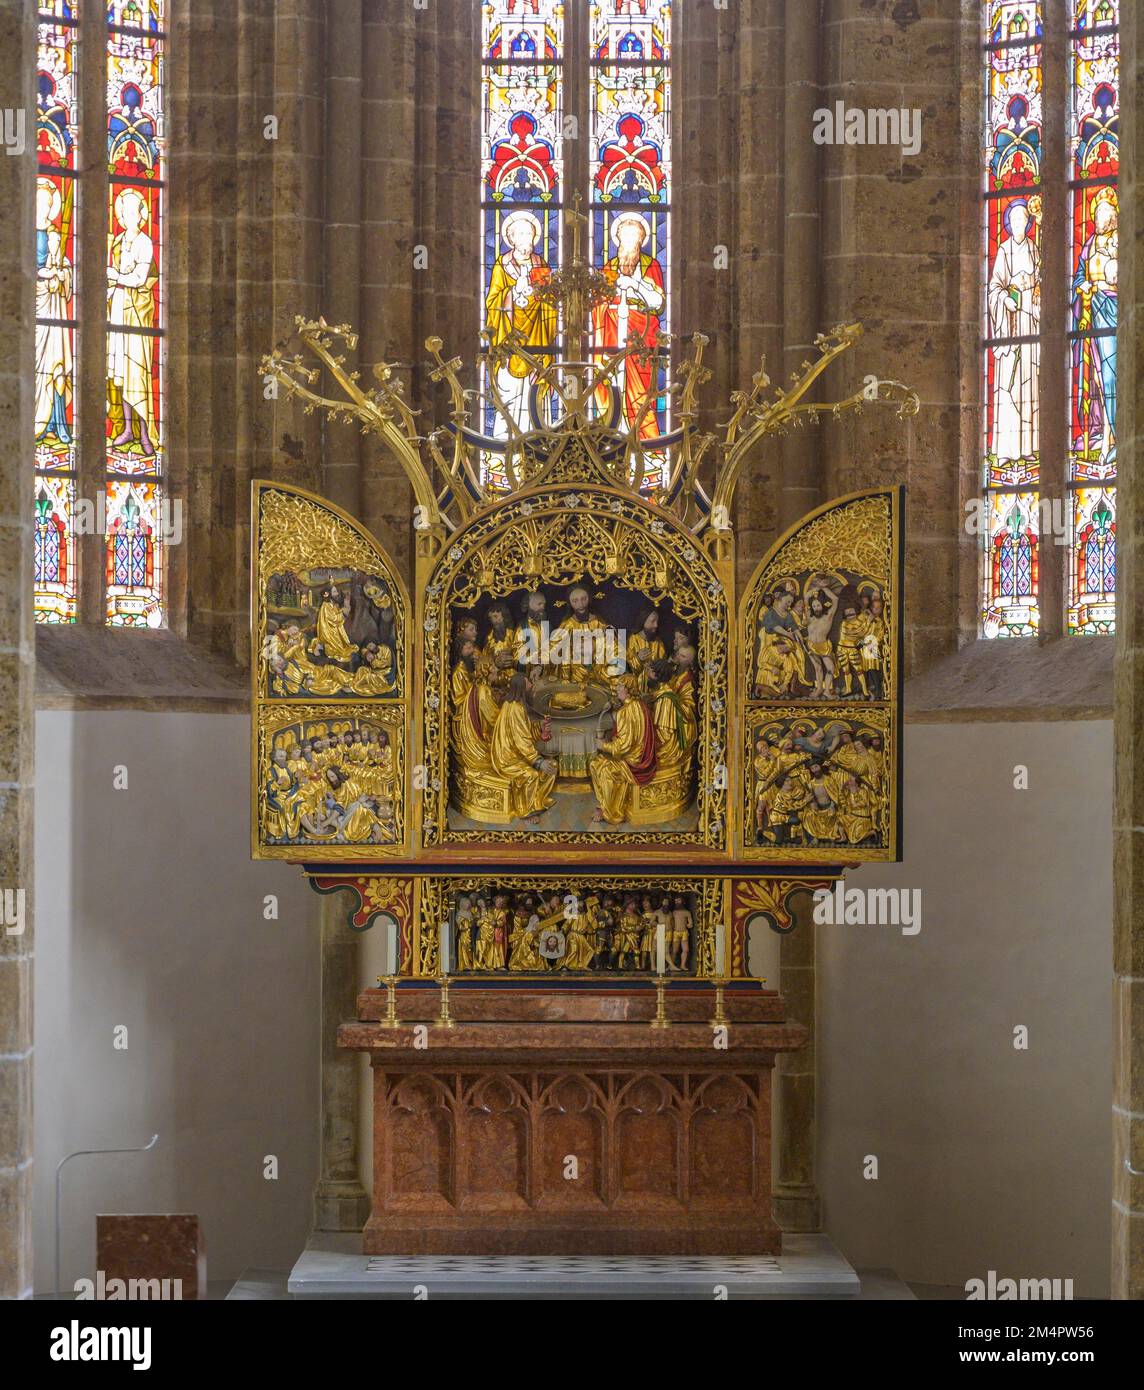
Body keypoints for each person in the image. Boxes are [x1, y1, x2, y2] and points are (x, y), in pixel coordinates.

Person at [592, 210, 666, 437]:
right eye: (625, 237)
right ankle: (611, 435)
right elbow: (596, 304)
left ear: (641, 241)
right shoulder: (608, 268)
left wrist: (637, 286)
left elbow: (659, 303)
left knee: (641, 393)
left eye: (634, 238)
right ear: (618, 240)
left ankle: (644, 441)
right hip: (612, 338)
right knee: (612, 384)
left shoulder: (650, 265)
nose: (629, 243)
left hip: (641, 340)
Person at [484, 210, 556, 433]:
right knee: (511, 397)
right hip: (510, 343)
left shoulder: (541, 266)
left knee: (535, 402)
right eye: (521, 233)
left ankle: (539, 445)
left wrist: (537, 294)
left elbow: (552, 303)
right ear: (512, 238)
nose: (527, 238)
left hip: (539, 344)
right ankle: (505, 448)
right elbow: (492, 302)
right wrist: (513, 292)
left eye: (530, 233)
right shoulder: (501, 265)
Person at [988, 199, 1040, 465]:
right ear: (1010, 223)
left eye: (1024, 219)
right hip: (1010, 326)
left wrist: (1035, 289)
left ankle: (1028, 446)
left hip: (1030, 322)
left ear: (1028, 223)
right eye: (1015, 219)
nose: (1020, 223)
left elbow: (1041, 282)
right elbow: (995, 287)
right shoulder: (1004, 250)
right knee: (1009, 386)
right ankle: (1008, 450)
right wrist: (1006, 300)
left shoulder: (1034, 248)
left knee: (1029, 386)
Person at [488, 671, 556, 822]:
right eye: (528, 684)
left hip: (517, 753)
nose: (531, 686)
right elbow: (522, 741)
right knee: (531, 775)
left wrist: (540, 727)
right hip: (507, 758)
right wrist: (538, 761)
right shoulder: (515, 708)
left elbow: (525, 732)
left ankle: (537, 801)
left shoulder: (517, 705)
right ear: (521, 688)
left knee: (552, 766)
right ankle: (527, 811)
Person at [589, 676, 657, 823]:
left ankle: (612, 813)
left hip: (633, 761)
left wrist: (603, 746)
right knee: (597, 763)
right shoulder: (639, 705)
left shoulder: (625, 712)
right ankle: (603, 804)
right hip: (643, 755)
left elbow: (624, 746)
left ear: (628, 690)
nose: (617, 689)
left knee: (601, 768)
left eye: (620, 687)